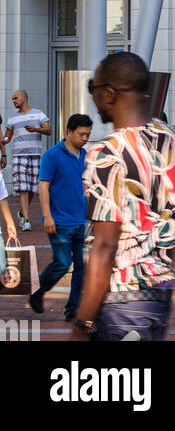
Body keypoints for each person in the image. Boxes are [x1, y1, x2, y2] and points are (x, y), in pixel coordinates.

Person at [71, 52, 175, 342]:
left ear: (109, 94)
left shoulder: (107, 152)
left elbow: (105, 246)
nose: (93, 99)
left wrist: (82, 323)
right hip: (160, 290)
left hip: (119, 297)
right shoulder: (172, 141)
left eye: (93, 90)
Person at [28, 113, 92, 321]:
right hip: (60, 221)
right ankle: (38, 293)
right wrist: (47, 216)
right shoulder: (52, 155)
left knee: (82, 267)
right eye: (81, 134)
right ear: (69, 132)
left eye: (88, 135)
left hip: (81, 220)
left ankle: (73, 308)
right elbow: (43, 186)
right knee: (63, 263)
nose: (85, 138)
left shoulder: (85, 155)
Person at [1, 89, 51, 231]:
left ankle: (22, 212)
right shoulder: (12, 118)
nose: (14, 101)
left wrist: (36, 129)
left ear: (24, 98)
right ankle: (26, 220)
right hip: (18, 156)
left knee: (32, 189)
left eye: (16, 98)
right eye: (12, 99)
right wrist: (3, 141)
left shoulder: (39, 114)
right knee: (23, 188)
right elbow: (7, 138)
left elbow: (49, 130)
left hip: (35, 154)